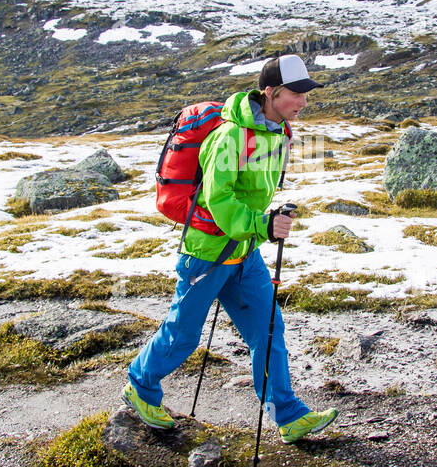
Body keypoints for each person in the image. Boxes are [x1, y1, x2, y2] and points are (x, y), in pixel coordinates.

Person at [122, 53, 339, 444]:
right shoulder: (230, 136)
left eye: (307, 94)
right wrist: (262, 224)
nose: (303, 102)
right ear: (270, 92)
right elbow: (219, 199)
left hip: (244, 251)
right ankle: (140, 386)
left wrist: (264, 220)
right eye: (296, 93)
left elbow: (248, 194)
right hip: (207, 251)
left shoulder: (276, 132)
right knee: (184, 335)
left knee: (268, 330)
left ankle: (289, 416)